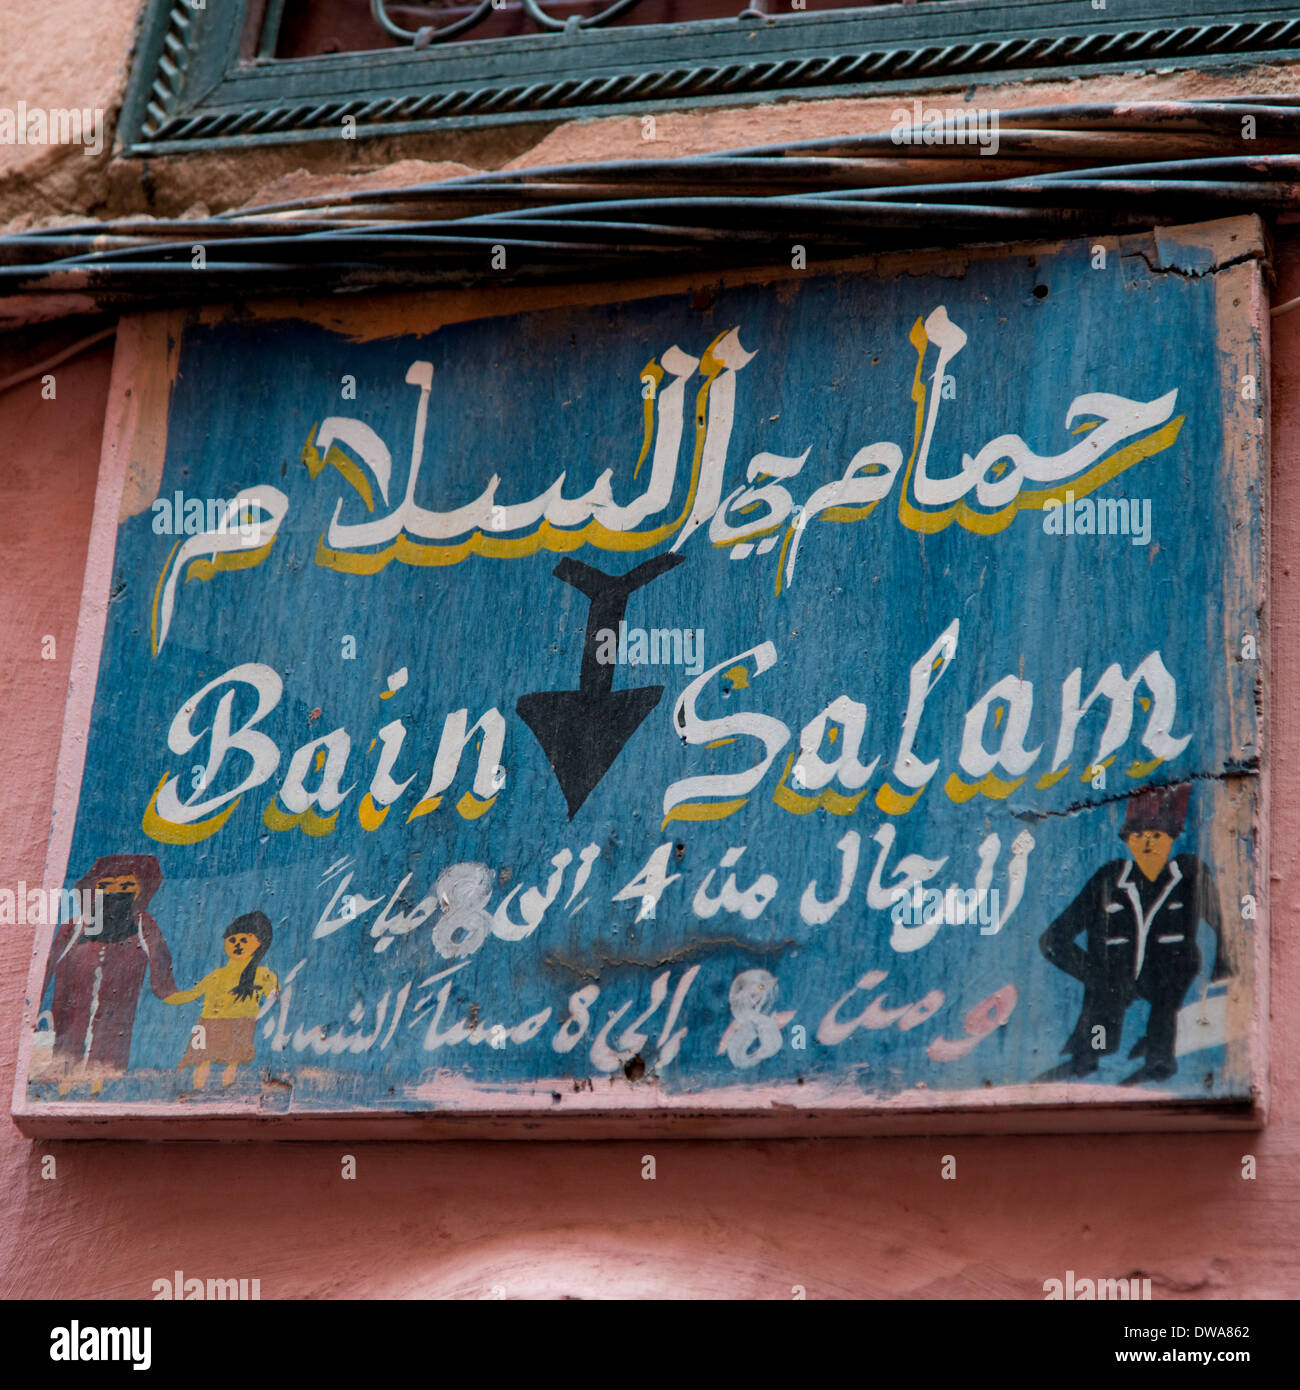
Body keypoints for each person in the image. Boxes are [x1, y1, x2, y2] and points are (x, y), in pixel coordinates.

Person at [1038, 783, 1231, 1085]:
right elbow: (1054, 939)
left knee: (1166, 1001)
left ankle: (1158, 1058)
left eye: (1156, 835)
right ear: (1128, 841)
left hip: (1167, 975)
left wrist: (1224, 960)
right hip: (1115, 976)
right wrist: (1093, 973)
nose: (1148, 843)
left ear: (1171, 838)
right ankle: (1090, 1057)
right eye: (1139, 836)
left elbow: (1223, 919)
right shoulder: (1109, 879)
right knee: (1100, 1017)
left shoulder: (1187, 875)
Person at [40, 853, 176, 1094]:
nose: (115, 892)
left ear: (141, 890)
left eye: (126, 885)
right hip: (65, 1040)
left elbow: (163, 980)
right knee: (62, 1083)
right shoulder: (74, 927)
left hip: (113, 1045)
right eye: (105, 886)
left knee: (101, 1084)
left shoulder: (144, 926)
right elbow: (44, 974)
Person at [165, 912, 278, 1089]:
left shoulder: (262, 975)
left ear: (259, 943)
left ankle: (225, 1090)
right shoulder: (217, 976)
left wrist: (263, 1011)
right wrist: (167, 997)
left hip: (239, 1024)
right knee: (203, 1060)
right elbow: (192, 994)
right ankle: (197, 1090)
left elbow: (274, 996)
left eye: (244, 940)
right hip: (209, 1022)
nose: (237, 945)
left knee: (231, 1062)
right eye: (232, 940)